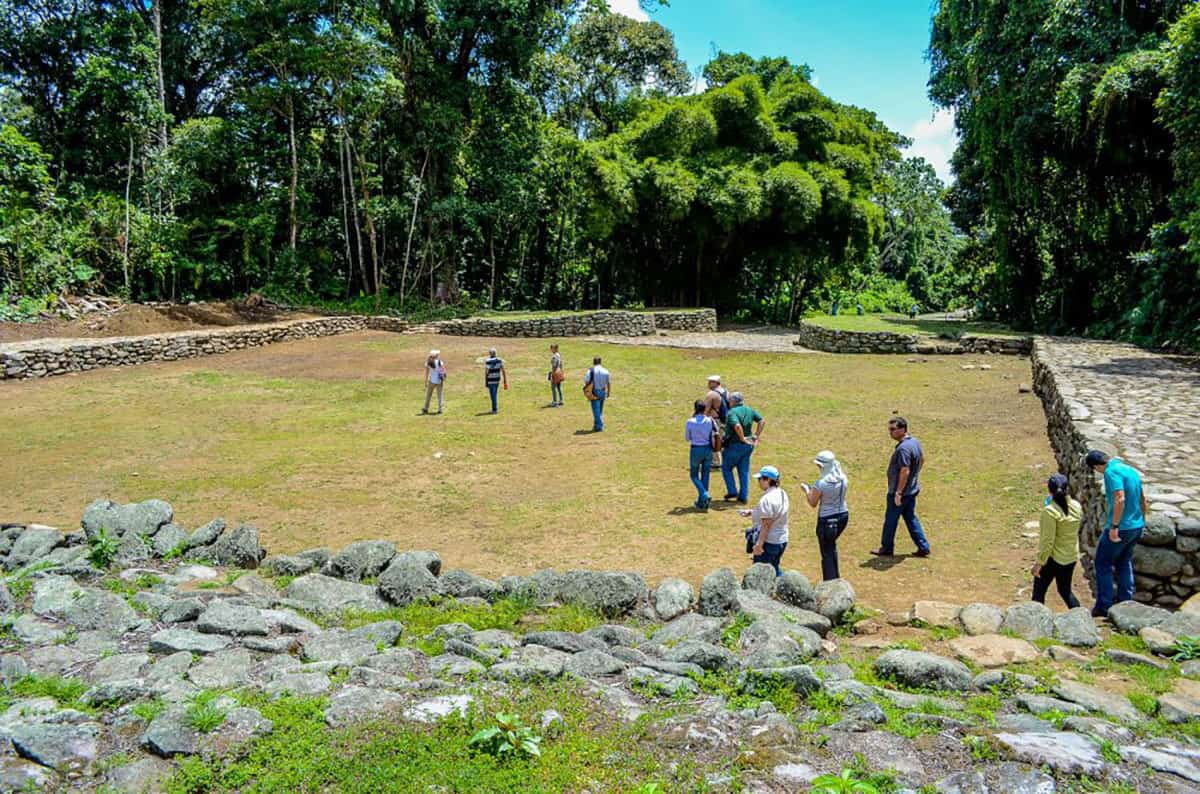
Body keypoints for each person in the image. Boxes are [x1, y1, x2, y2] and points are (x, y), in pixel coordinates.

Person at [1086, 450, 1148, 617]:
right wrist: (1142, 519)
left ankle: (1104, 606)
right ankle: (1125, 601)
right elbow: (1142, 497)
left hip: (1122, 527)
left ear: (1097, 466)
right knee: (1124, 561)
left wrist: (1114, 526)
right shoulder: (1129, 469)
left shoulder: (1110, 472)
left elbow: (1120, 498)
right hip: (1136, 525)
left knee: (1102, 563)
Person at [872, 416, 931, 558]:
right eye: (889, 429)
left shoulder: (903, 449)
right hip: (912, 490)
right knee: (910, 518)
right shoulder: (914, 442)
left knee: (891, 520)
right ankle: (923, 547)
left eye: (893, 429)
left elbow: (905, 470)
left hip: (901, 493)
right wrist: (914, 478)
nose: (890, 432)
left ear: (903, 429)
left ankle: (886, 548)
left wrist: (898, 492)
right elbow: (922, 459)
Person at [1031, 473, 1082, 608]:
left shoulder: (1050, 512)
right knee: (1065, 591)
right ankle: (1081, 616)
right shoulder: (1076, 506)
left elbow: (1047, 541)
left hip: (1053, 558)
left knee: (1039, 593)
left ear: (1049, 490)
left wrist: (1039, 563)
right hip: (1070, 556)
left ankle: (1036, 622)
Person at [800, 450, 850, 580]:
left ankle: (830, 582)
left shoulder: (821, 483)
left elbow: (812, 502)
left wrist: (807, 490)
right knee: (831, 547)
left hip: (827, 520)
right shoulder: (843, 478)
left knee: (826, 553)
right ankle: (835, 577)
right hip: (843, 516)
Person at [740, 465, 790, 575]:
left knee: (760, 574)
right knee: (774, 568)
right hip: (781, 539)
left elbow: (766, 525)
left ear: (768, 480)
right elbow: (775, 514)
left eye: (760, 479)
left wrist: (759, 545)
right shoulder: (782, 493)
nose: (759, 482)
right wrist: (753, 512)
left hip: (769, 542)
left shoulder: (766, 500)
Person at [722, 392, 765, 504]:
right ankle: (743, 496)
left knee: (726, 468)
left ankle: (732, 490)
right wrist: (756, 435)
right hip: (748, 445)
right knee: (744, 470)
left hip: (734, 445)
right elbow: (761, 421)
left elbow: (737, 426)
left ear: (733, 401)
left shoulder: (732, 412)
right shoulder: (749, 409)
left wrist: (742, 438)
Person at [685, 400, 716, 510]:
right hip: (708, 449)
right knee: (705, 476)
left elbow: (687, 438)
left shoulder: (690, 421)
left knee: (694, 475)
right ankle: (702, 503)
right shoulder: (710, 420)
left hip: (696, 449)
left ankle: (704, 495)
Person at [583, 356, 611, 431]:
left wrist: (588, 389)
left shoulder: (591, 370)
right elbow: (608, 383)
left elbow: (586, 380)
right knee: (600, 410)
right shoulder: (606, 370)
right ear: (600, 362)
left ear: (593, 362)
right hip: (603, 391)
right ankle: (596, 425)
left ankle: (600, 426)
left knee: (596, 410)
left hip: (595, 392)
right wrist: (608, 392)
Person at [422, 349, 446, 415]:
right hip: (439, 381)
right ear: (436, 356)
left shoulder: (428, 362)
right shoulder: (440, 362)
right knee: (440, 396)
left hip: (431, 381)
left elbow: (427, 373)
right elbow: (443, 371)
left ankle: (426, 408)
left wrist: (425, 382)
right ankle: (440, 409)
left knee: (428, 396)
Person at [483, 348, 507, 414]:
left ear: (490, 353)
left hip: (491, 380)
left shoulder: (488, 361)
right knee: (495, 394)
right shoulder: (499, 360)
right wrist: (505, 381)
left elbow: (486, 372)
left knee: (493, 395)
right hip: (497, 380)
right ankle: (494, 408)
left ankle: (495, 409)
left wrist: (486, 381)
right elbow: (503, 371)